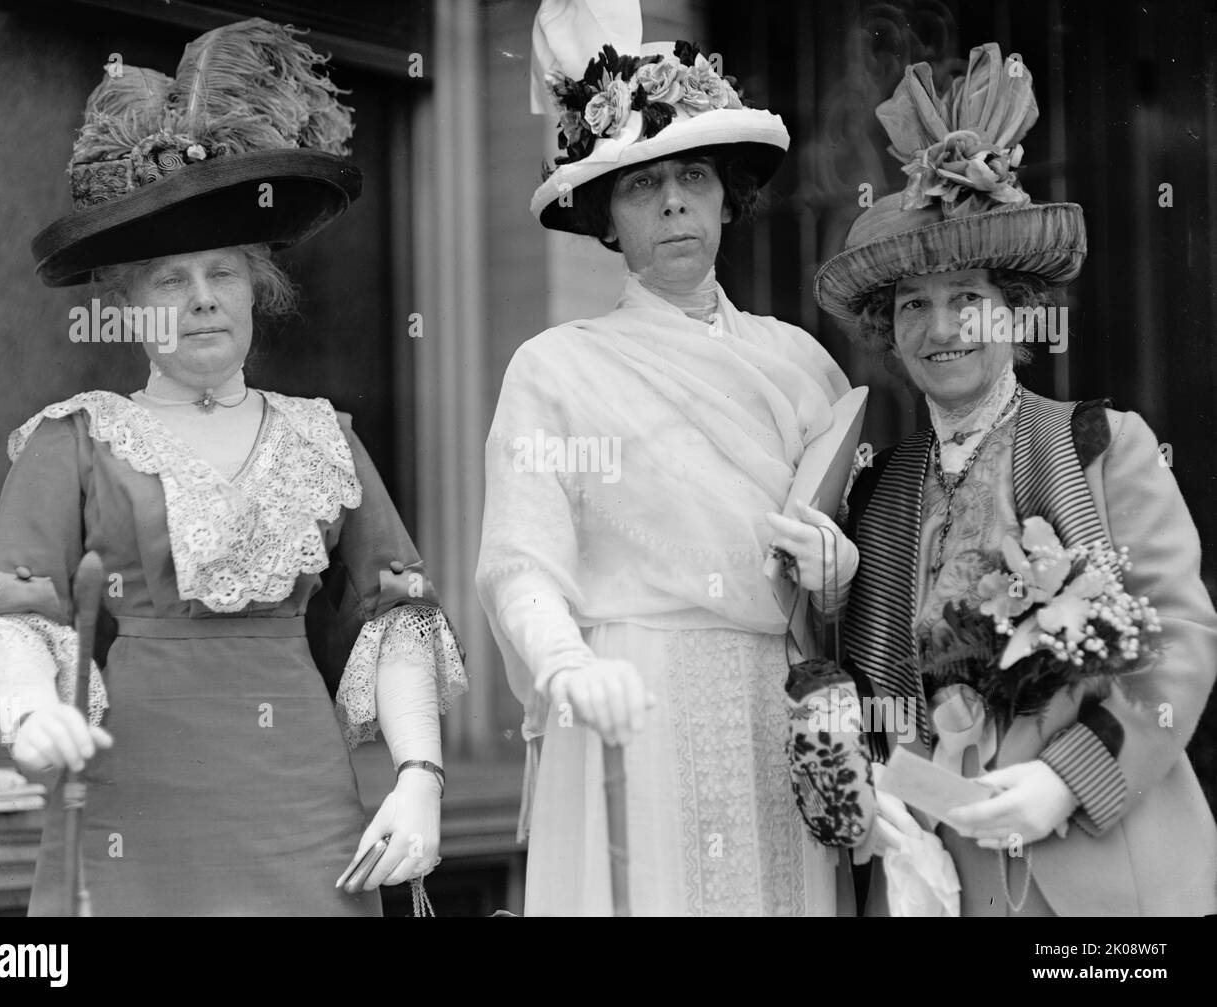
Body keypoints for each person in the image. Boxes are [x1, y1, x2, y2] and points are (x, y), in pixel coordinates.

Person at [0, 18, 466, 917]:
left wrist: (420, 773)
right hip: (135, 806)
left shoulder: (322, 438)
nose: (201, 300)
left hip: (303, 811)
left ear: (257, 287)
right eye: (168, 280)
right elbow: (14, 616)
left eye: (222, 272)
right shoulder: (74, 440)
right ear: (126, 307)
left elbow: (398, 611)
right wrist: (31, 714)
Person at [813, 42, 1217, 915]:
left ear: (1014, 307)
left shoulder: (1103, 444)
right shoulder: (879, 494)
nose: (941, 326)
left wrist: (1070, 780)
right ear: (890, 328)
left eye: (966, 295)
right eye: (913, 304)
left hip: (1104, 874)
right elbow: (866, 687)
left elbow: (1180, 638)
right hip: (938, 877)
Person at [476, 2, 856, 916]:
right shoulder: (556, 366)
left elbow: (846, 570)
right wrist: (567, 667)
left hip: (780, 707)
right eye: (644, 186)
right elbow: (521, 562)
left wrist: (837, 577)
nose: (675, 202)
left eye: (694, 176)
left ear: (730, 195)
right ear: (608, 214)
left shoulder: (802, 363)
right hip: (628, 699)